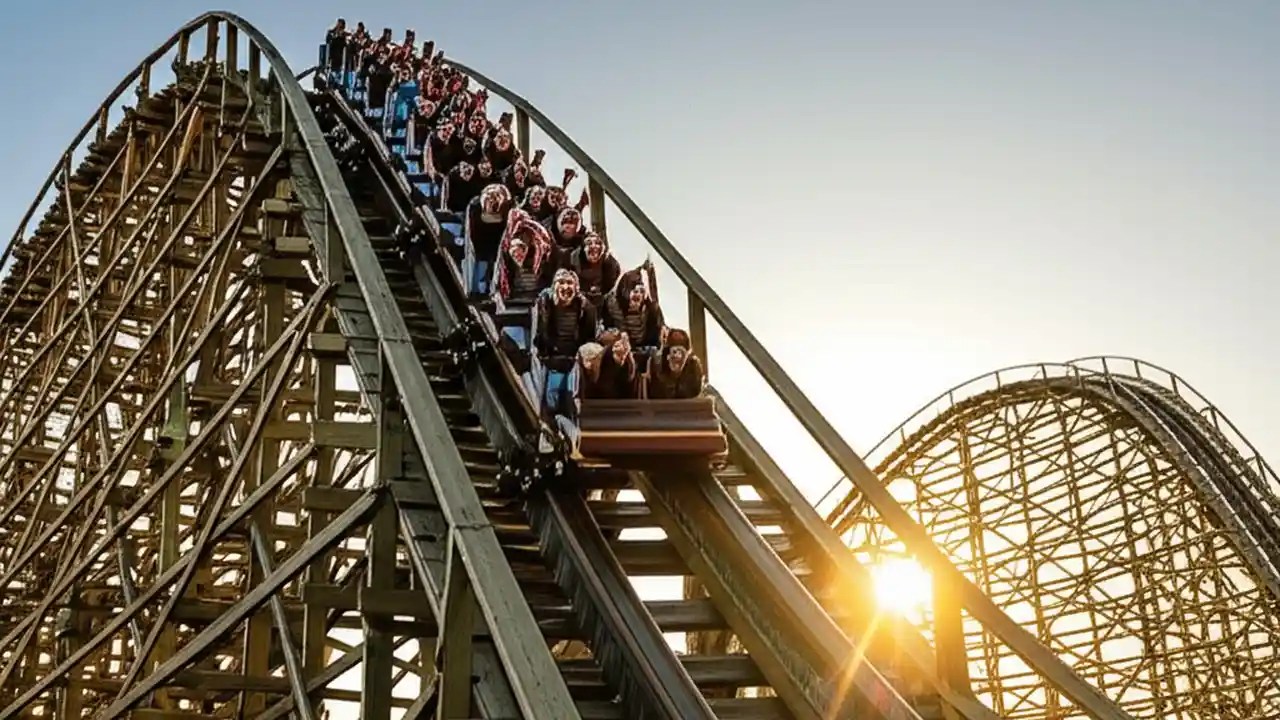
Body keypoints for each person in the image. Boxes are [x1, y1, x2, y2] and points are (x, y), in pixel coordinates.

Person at [533, 269, 599, 417]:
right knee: (551, 394)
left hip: (573, 358)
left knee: (572, 393)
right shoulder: (544, 304)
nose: (565, 287)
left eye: (569, 283)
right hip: (551, 356)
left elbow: (589, 338)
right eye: (561, 282)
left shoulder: (586, 308)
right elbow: (539, 332)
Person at [566, 230, 620, 311]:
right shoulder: (573, 260)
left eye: (597, 243)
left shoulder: (610, 264)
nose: (594, 246)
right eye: (589, 243)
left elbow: (611, 282)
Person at [647, 328, 704, 399]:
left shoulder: (694, 366)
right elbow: (657, 393)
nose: (677, 356)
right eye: (673, 350)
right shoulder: (656, 364)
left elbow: (693, 393)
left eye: (681, 351)